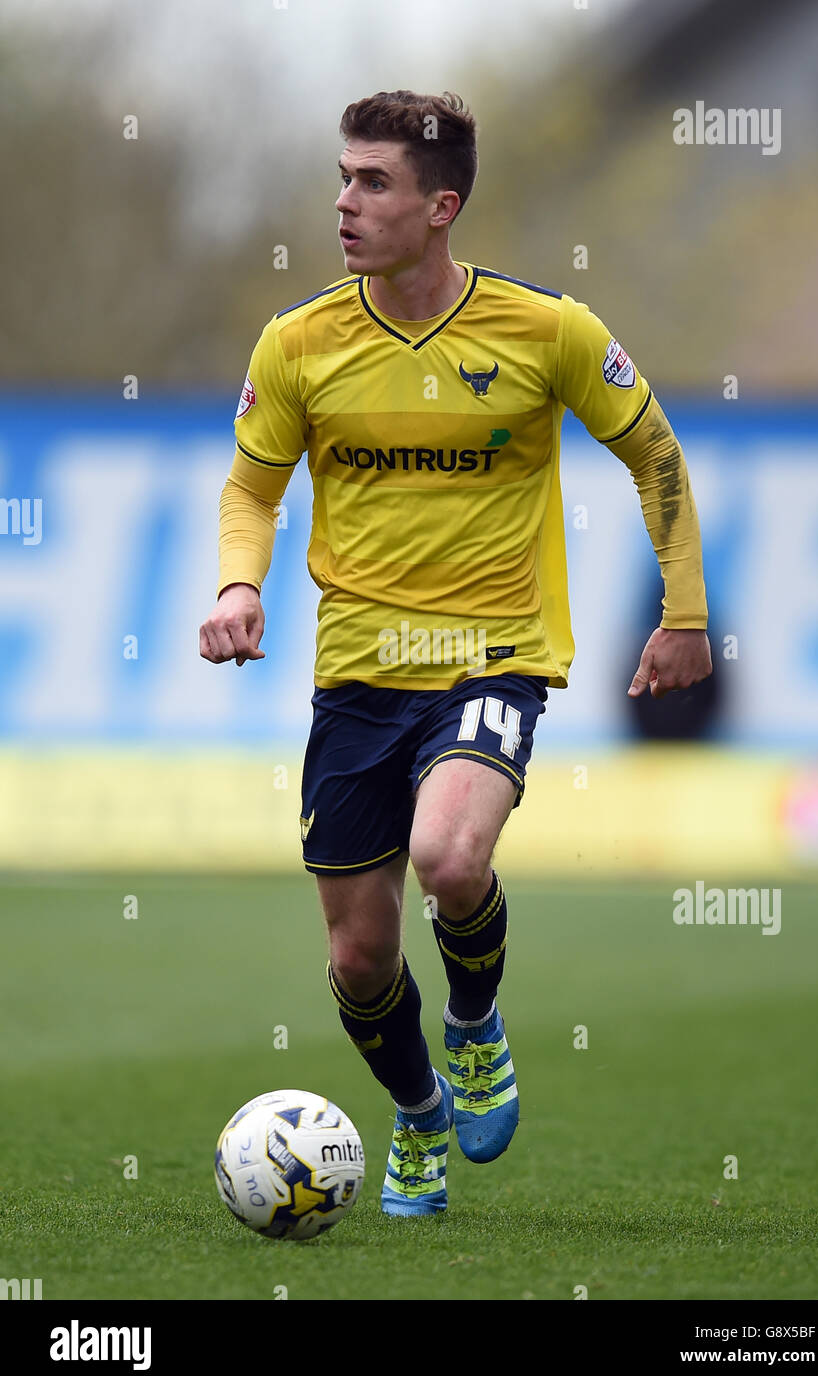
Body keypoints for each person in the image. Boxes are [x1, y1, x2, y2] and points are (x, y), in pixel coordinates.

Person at [199, 90, 712, 1217]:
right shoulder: (298, 343)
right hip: (355, 673)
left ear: (442, 206)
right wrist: (240, 582)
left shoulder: (550, 329)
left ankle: (475, 1027)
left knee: (449, 856)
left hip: (493, 655)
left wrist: (682, 613)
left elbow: (655, 453)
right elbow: (251, 483)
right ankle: (422, 1110)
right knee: (360, 961)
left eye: (371, 183)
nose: (343, 202)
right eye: (342, 177)